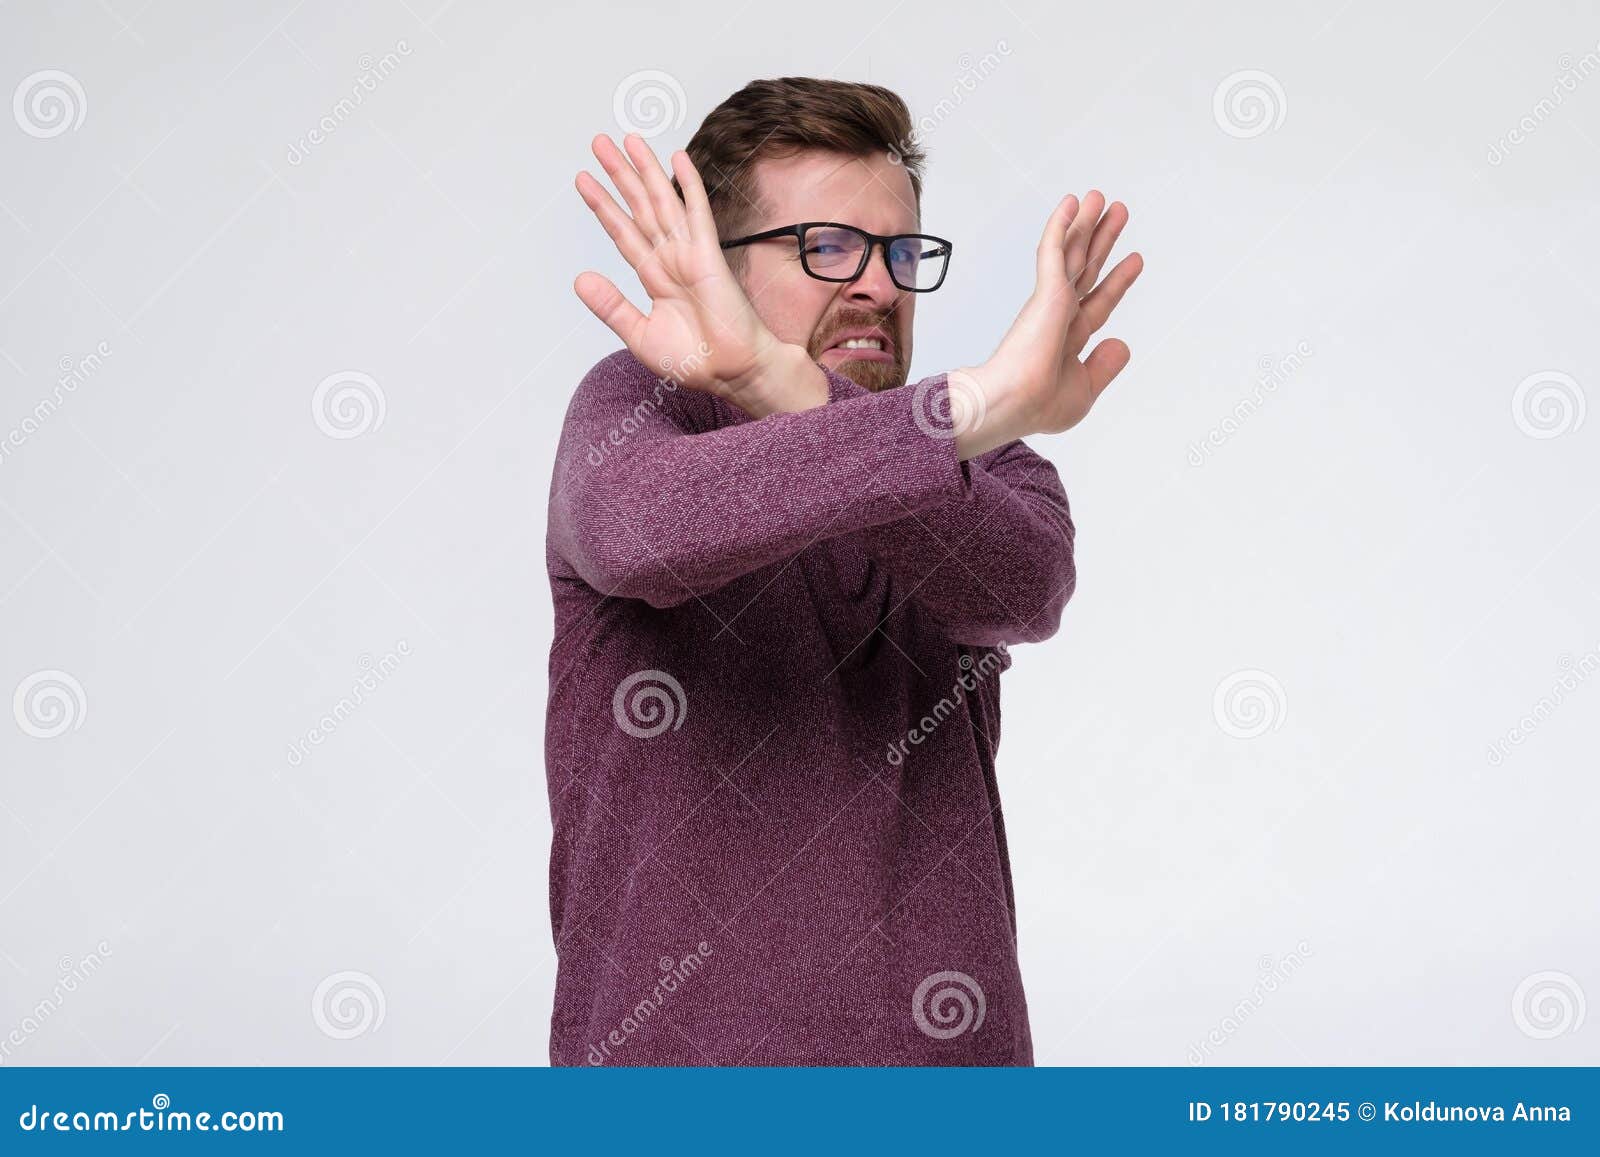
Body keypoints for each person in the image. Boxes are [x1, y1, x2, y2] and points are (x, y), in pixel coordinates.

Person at [545, 76, 1142, 1065]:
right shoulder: (638, 410)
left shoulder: (983, 459)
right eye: (825, 246)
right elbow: (636, 532)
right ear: (717, 270)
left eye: (900, 251)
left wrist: (788, 385)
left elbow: (1023, 587)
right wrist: (977, 395)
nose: (876, 284)